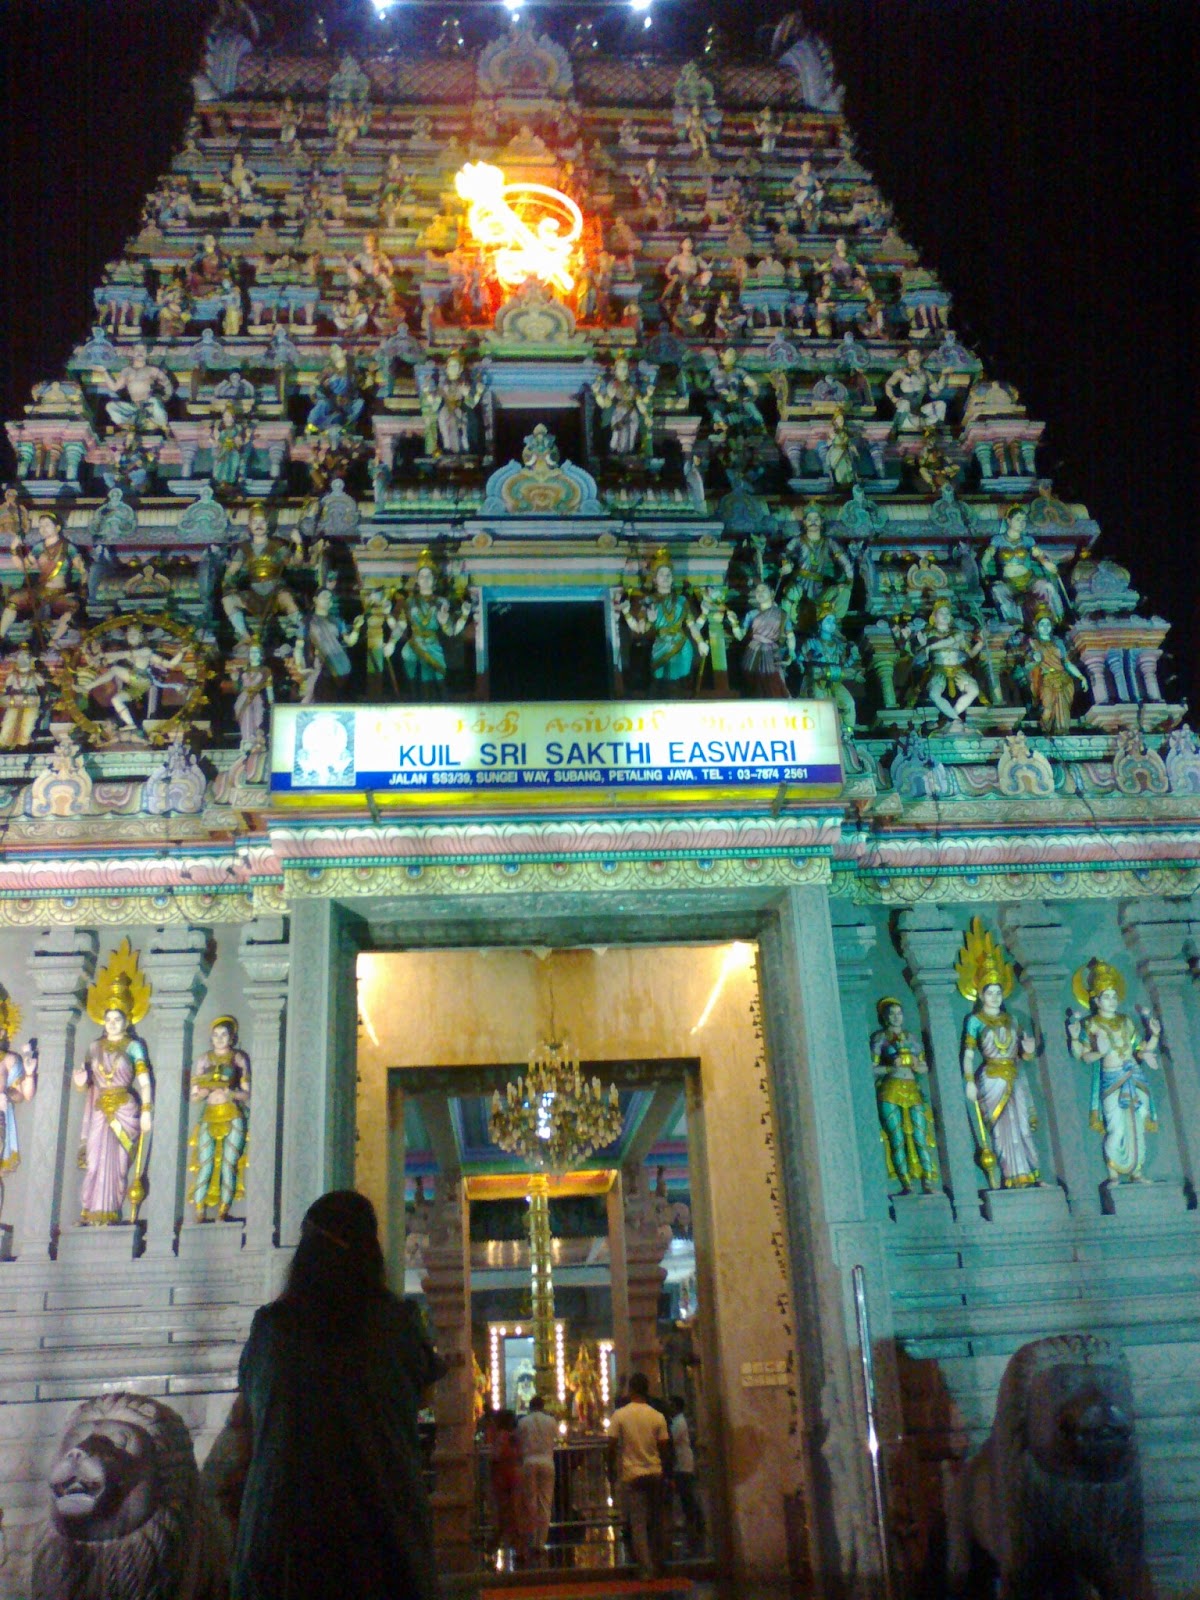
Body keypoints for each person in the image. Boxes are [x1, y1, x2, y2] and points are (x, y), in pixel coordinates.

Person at [230, 1190, 446, 1600]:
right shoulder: (396, 1324)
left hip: (284, 1536)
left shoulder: (272, 1329)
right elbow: (425, 1398)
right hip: (382, 1528)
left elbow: (250, 1413)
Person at [609, 1372, 670, 1580]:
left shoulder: (620, 1415)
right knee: (656, 1519)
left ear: (630, 1390)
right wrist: (665, 1472)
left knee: (638, 1523)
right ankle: (659, 1560)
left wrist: (611, 1469)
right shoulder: (657, 1416)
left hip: (633, 1474)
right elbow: (664, 1448)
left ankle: (646, 1566)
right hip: (654, 1472)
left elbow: (611, 1445)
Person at [516, 1393, 558, 1561]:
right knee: (545, 1502)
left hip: (529, 1461)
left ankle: (531, 1538)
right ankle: (541, 1542)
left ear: (530, 1407)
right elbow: (557, 1438)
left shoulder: (523, 1422)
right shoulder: (551, 1421)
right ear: (542, 1406)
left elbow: (518, 1440)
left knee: (530, 1501)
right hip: (547, 1461)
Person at [669, 1396, 705, 1556]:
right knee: (685, 1494)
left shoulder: (679, 1423)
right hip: (681, 1463)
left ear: (676, 1407)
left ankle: (695, 1521)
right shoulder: (677, 1421)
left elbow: (671, 1440)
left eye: (671, 1405)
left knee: (687, 1494)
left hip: (683, 1464)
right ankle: (694, 1520)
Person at [489, 1410, 524, 1564]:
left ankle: (494, 1545)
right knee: (512, 1514)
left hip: (502, 1478)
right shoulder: (513, 1438)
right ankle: (516, 1547)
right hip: (513, 1477)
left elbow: (496, 1456)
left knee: (504, 1514)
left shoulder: (501, 1438)